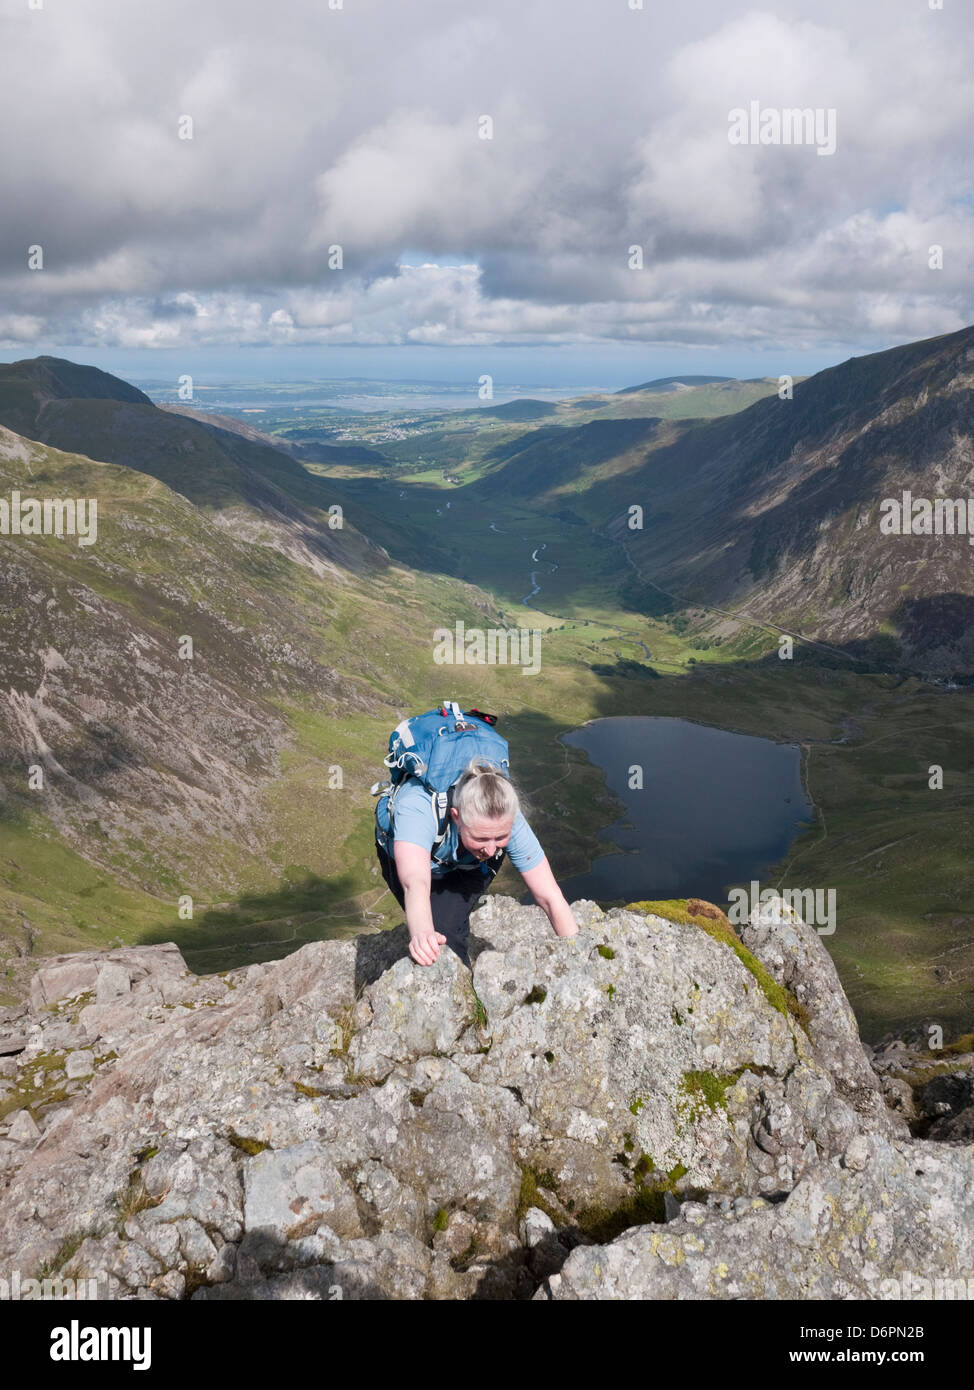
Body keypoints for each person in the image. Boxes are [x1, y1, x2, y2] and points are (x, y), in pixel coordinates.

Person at [376, 758, 578, 966]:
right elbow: (415, 881)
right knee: (433, 931)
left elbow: (550, 896)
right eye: (481, 838)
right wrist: (422, 933)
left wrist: (577, 955)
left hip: (470, 864)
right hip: (412, 859)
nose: (491, 849)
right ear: (456, 816)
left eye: (501, 838)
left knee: (447, 931)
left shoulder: (506, 814)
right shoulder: (418, 807)